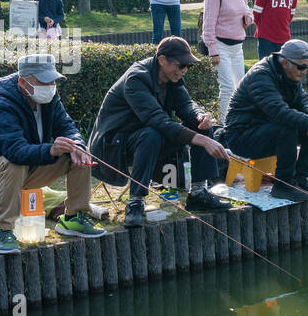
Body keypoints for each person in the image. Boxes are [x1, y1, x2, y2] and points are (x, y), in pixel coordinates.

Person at [0, 54, 107, 255]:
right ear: (23, 82)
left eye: (53, 80)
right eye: (44, 81)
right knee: (13, 163)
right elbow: (15, 151)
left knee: (78, 153)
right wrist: (50, 150)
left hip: (26, 169)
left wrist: (77, 145)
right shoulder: (0, 106)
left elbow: (67, 127)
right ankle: (2, 231)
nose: (50, 85)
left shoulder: (50, 99)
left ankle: (73, 217)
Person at [86, 36, 231, 227]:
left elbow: (185, 104)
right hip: (114, 145)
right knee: (152, 134)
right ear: (163, 60)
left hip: (145, 136)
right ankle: (135, 202)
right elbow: (157, 120)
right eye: (181, 65)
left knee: (202, 126)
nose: (184, 70)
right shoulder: (137, 78)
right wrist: (201, 141)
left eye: (188, 66)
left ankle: (198, 193)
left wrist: (200, 116)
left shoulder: (171, 76)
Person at [221, 38, 308, 202]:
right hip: (241, 136)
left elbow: (303, 103)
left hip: (268, 129)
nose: (304, 71)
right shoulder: (261, 76)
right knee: (288, 128)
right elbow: (280, 113)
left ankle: (300, 178)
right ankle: (282, 186)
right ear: (285, 62)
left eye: (307, 66)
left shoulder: (290, 74)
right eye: (301, 67)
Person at [201, 0, 253, 123]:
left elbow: (246, 9)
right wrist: (212, 50)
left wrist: (248, 18)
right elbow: (208, 24)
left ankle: (237, 122)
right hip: (220, 45)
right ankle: (224, 126)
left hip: (237, 47)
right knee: (227, 87)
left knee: (240, 86)